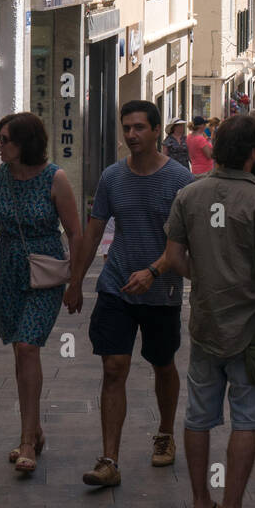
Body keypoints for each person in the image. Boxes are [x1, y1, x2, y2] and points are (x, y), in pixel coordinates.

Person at [162, 115, 255, 508]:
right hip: (252, 328)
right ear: (254, 154)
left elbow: (173, 255)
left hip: (206, 323)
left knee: (198, 416)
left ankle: (202, 501)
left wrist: (203, 278)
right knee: (248, 419)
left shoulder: (189, 194)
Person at [68, 101, 195, 487]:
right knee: (113, 368)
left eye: (139, 127)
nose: (131, 135)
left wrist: (154, 271)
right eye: (126, 128)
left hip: (163, 291)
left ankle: (166, 432)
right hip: (116, 285)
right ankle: (109, 460)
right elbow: (93, 232)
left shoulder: (181, 181)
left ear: (157, 131)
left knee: (163, 364)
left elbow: (184, 244)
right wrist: (76, 281)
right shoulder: (111, 178)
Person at [0, 113, 83, 476]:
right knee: (19, 350)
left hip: (45, 272)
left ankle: (27, 441)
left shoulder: (55, 178)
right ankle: (35, 429)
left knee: (29, 346)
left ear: (25, 143)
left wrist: (75, 282)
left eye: (6, 139)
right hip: (9, 269)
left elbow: (75, 232)